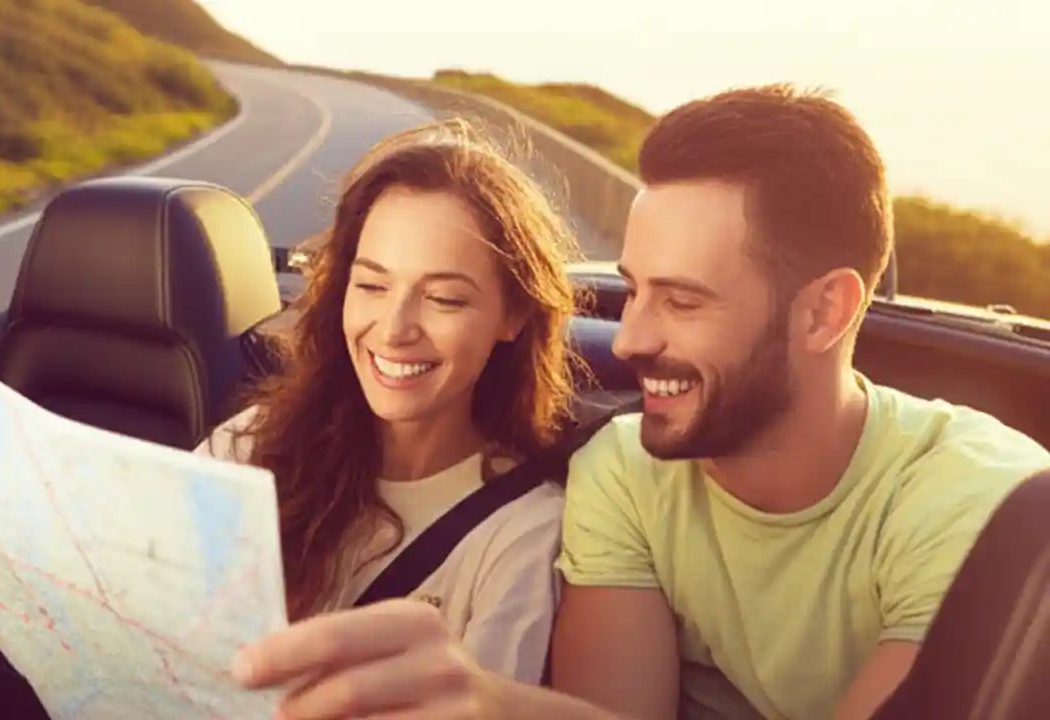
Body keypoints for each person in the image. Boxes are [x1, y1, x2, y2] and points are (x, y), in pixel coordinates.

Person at [221, 83, 1050, 720]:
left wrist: (500, 704)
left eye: (683, 302)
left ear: (824, 311)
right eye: (632, 292)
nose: (627, 342)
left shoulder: (985, 507)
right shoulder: (628, 468)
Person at [0, 116, 588, 716]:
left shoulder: (523, 533)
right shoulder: (253, 443)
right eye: (371, 284)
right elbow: (93, 577)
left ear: (514, 315)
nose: (393, 329)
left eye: (446, 298)